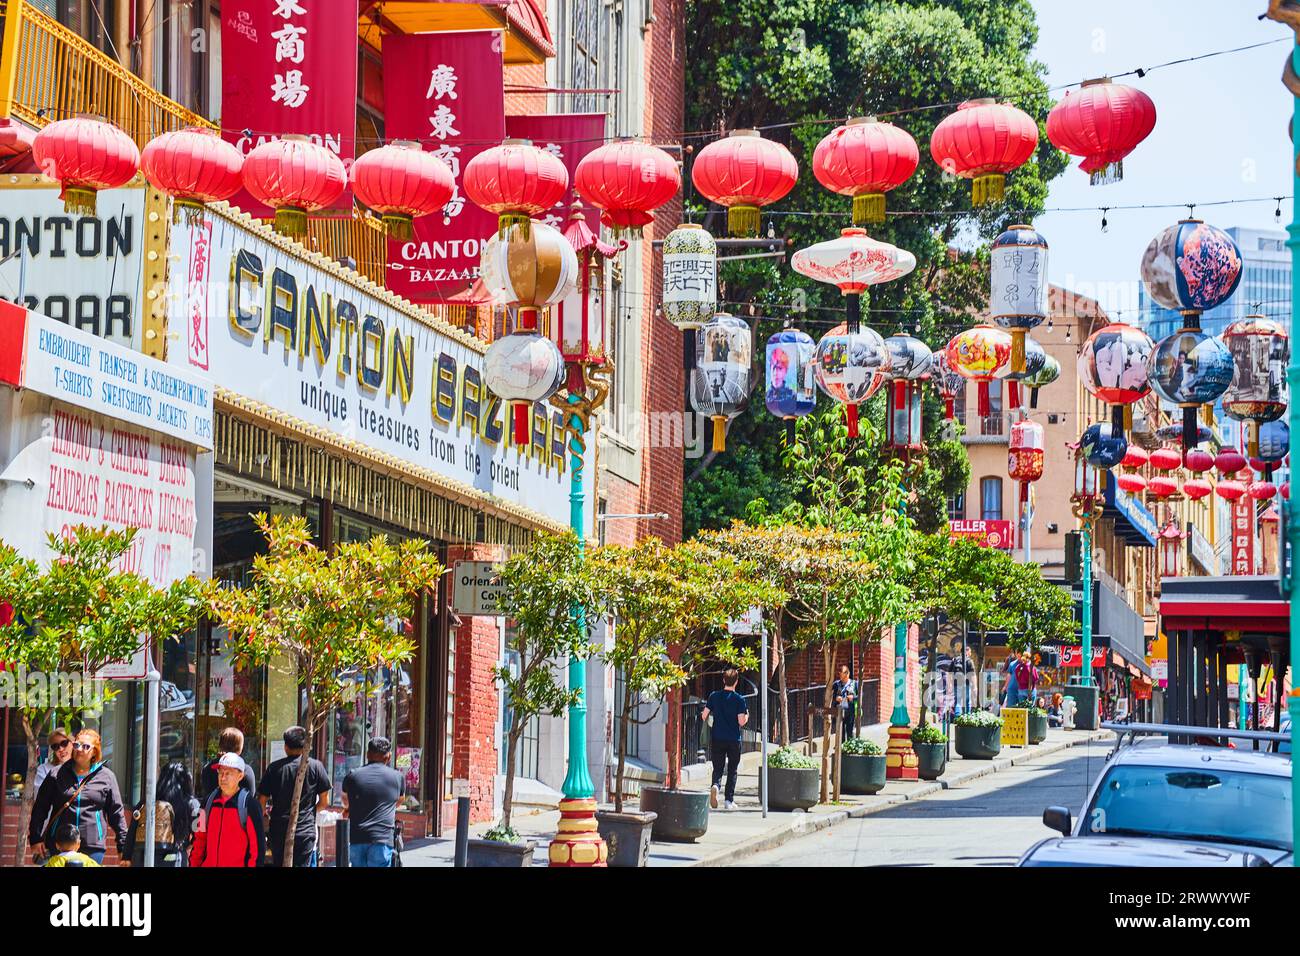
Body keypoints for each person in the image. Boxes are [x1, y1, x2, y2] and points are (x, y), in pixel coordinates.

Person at [28, 729, 128, 866]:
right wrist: (35, 838)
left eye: (85, 746)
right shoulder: (56, 774)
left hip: (92, 845)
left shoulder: (107, 777)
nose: (79, 749)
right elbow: (40, 808)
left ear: (94, 751)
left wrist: (123, 847)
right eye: (76, 745)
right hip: (60, 843)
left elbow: (117, 813)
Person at [259, 725, 331, 868]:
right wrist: (309, 812)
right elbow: (325, 802)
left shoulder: (274, 768)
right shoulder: (316, 766)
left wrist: (266, 815)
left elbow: (262, 801)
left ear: (286, 747)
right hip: (305, 831)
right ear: (306, 745)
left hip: (279, 829)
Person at [191, 753, 264, 868]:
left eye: (228, 773)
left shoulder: (251, 805)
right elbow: (197, 839)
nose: (222, 777)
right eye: (220, 772)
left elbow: (258, 850)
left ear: (240, 776)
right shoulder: (207, 802)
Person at [341, 736, 404, 868]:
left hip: (357, 836)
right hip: (383, 838)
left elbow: (345, 801)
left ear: (367, 754)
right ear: (388, 756)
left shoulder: (353, 775)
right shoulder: (397, 777)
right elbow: (399, 800)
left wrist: (350, 808)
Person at [123, 762, 201, 867]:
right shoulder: (192, 804)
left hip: (142, 858)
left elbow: (132, 831)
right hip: (173, 858)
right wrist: (186, 845)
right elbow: (201, 834)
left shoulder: (147, 802)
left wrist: (126, 857)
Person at [700, 669, 748, 811]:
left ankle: (715, 785)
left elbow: (704, 715)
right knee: (732, 770)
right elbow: (741, 721)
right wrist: (747, 716)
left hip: (717, 737)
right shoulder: (740, 699)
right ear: (736, 681)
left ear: (723, 680)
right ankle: (728, 800)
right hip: (733, 738)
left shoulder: (714, 696)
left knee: (718, 767)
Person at [28, 728, 71, 841]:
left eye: (64, 743)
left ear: (72, 742)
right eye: (55, 746)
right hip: (51, 833)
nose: (61, 749)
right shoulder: (45, 770)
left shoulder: (84, 770)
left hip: (78, 834)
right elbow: (41, 804)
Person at [199, 727, 257, 797]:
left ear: (220, 745)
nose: (223, 778)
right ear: (240, 748)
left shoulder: (208, 768)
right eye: (220, 773)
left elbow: (206, 795)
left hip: (213, 807)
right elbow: (250, 797)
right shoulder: (246, 770)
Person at [832, 664, 858, 739]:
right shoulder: (836, 684)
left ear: (847, 673)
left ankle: (849, 748)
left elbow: (860, 696)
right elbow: (830, 696)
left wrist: (853, 697)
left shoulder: (854, 683)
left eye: (842, 672)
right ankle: (840, 748)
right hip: (839, 710)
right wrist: (836, 698)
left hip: (850, 710)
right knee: (840, 732)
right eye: (839, 672)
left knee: (850, 731)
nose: (840, 674)